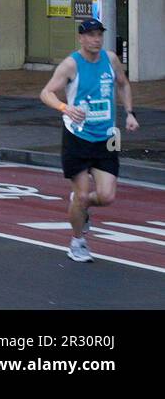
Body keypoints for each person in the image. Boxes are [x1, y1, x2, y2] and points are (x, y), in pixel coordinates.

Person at [39, 18, 138, 263]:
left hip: (105, 138)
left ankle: (80, 205)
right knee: (83, 194)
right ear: (81, 38)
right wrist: (65, 107)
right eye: (90, 35)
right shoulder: (71, 65)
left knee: (106, 196)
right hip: (77, 137)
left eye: (99, 35)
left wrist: (129, 113)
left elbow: (123, 84)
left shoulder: (110, 59)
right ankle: (77, 241)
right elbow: (46, 93)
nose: (96, 39)